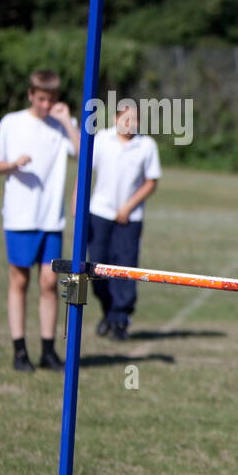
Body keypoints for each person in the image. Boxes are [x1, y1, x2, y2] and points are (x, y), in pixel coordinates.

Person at [0, 69, 79, 371]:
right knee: (20, 280)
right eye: (41, 98)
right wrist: (14, 164)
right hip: (19, 216)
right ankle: (19, 350)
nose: (45, 104)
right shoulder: (11, 123)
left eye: (51, 98)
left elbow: (83, 154)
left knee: (50, 281)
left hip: (51, 219)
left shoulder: (62, 125)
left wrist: (66, 120)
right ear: (30, 94)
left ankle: (48, 350)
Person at [84, 102, 161, 340]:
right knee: (96, 268)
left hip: (130, 218)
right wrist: (78, 196)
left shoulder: (146, 145)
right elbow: (85, 170)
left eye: (135, 119)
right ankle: (108, 311)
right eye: (127, 118)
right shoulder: (101, 140)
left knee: (125, 269)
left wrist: (129, 206)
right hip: (100, 213)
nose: (131, 124)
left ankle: (120, 320)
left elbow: (151, 181)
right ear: (116, 117)